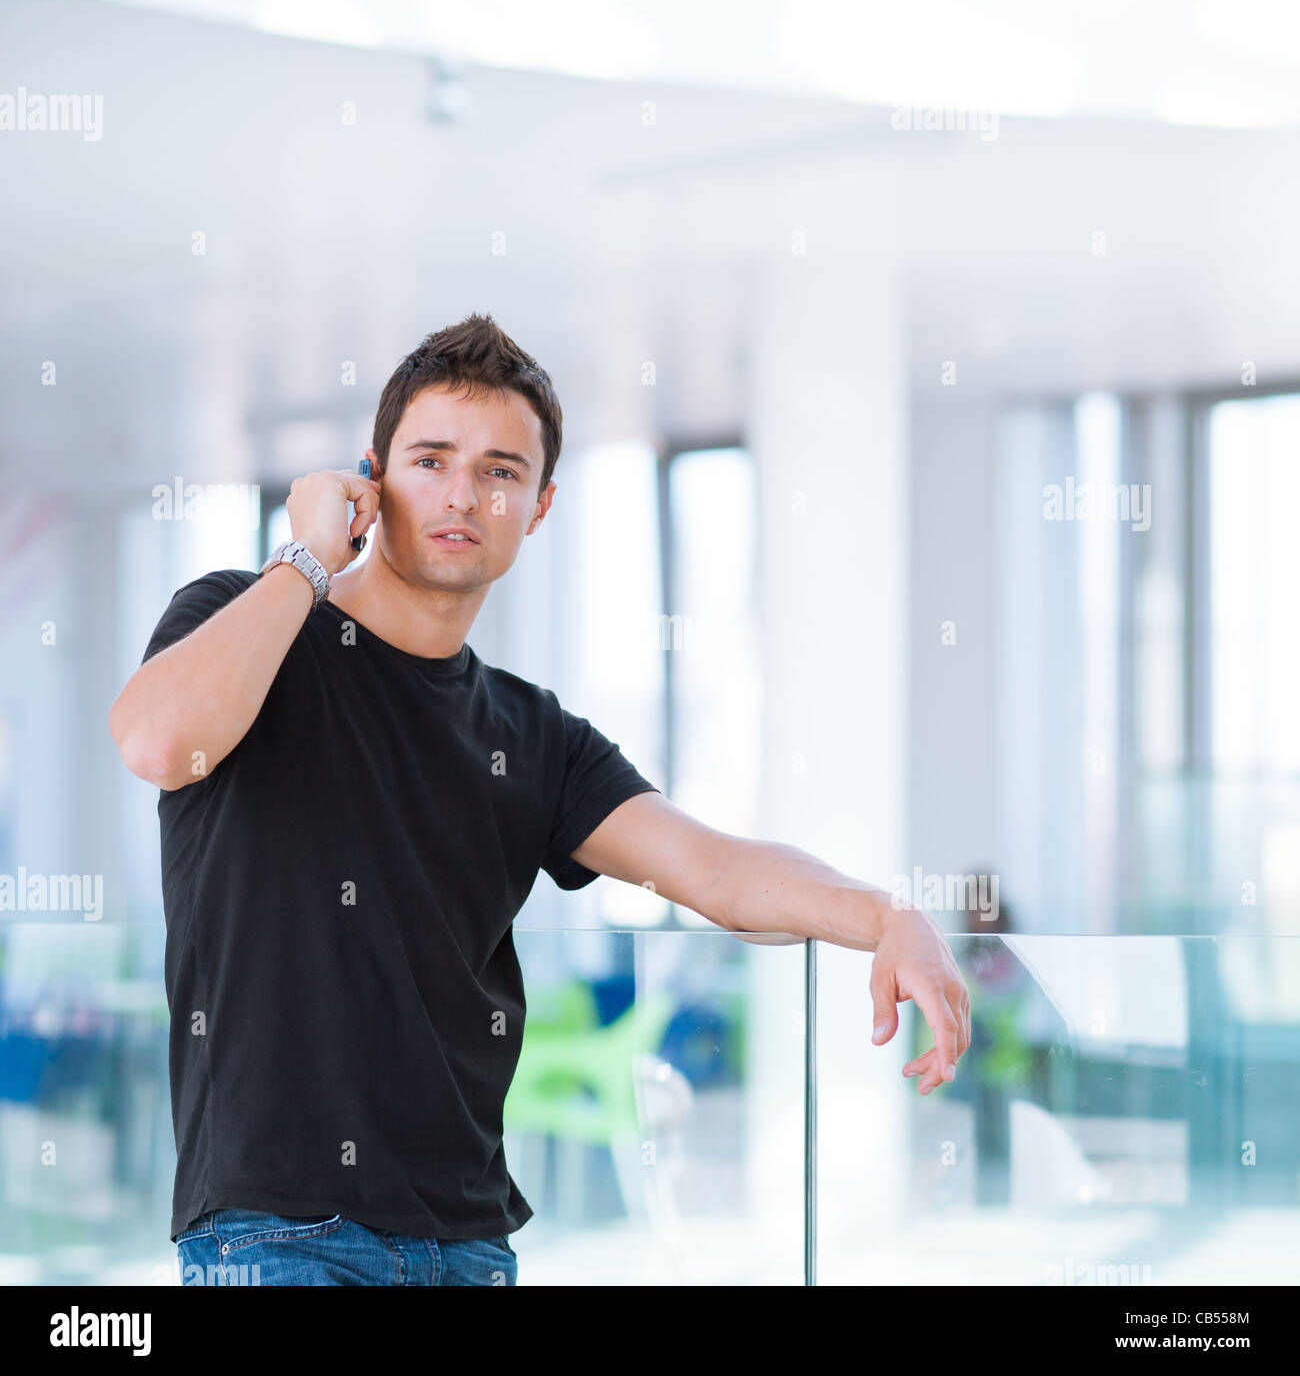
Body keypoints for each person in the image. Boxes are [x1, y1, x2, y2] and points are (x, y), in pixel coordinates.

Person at [109, 312, 970, 1286]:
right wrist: (304, 560)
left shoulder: (532, 733)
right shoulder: (246, 619)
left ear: (540, 503)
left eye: (500, 470)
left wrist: (885, 915)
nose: (462, 493)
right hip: (280, 1232)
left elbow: (717, 871)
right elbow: (154, 740)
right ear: (371, 475)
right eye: (430, 459)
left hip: (469, 1244)